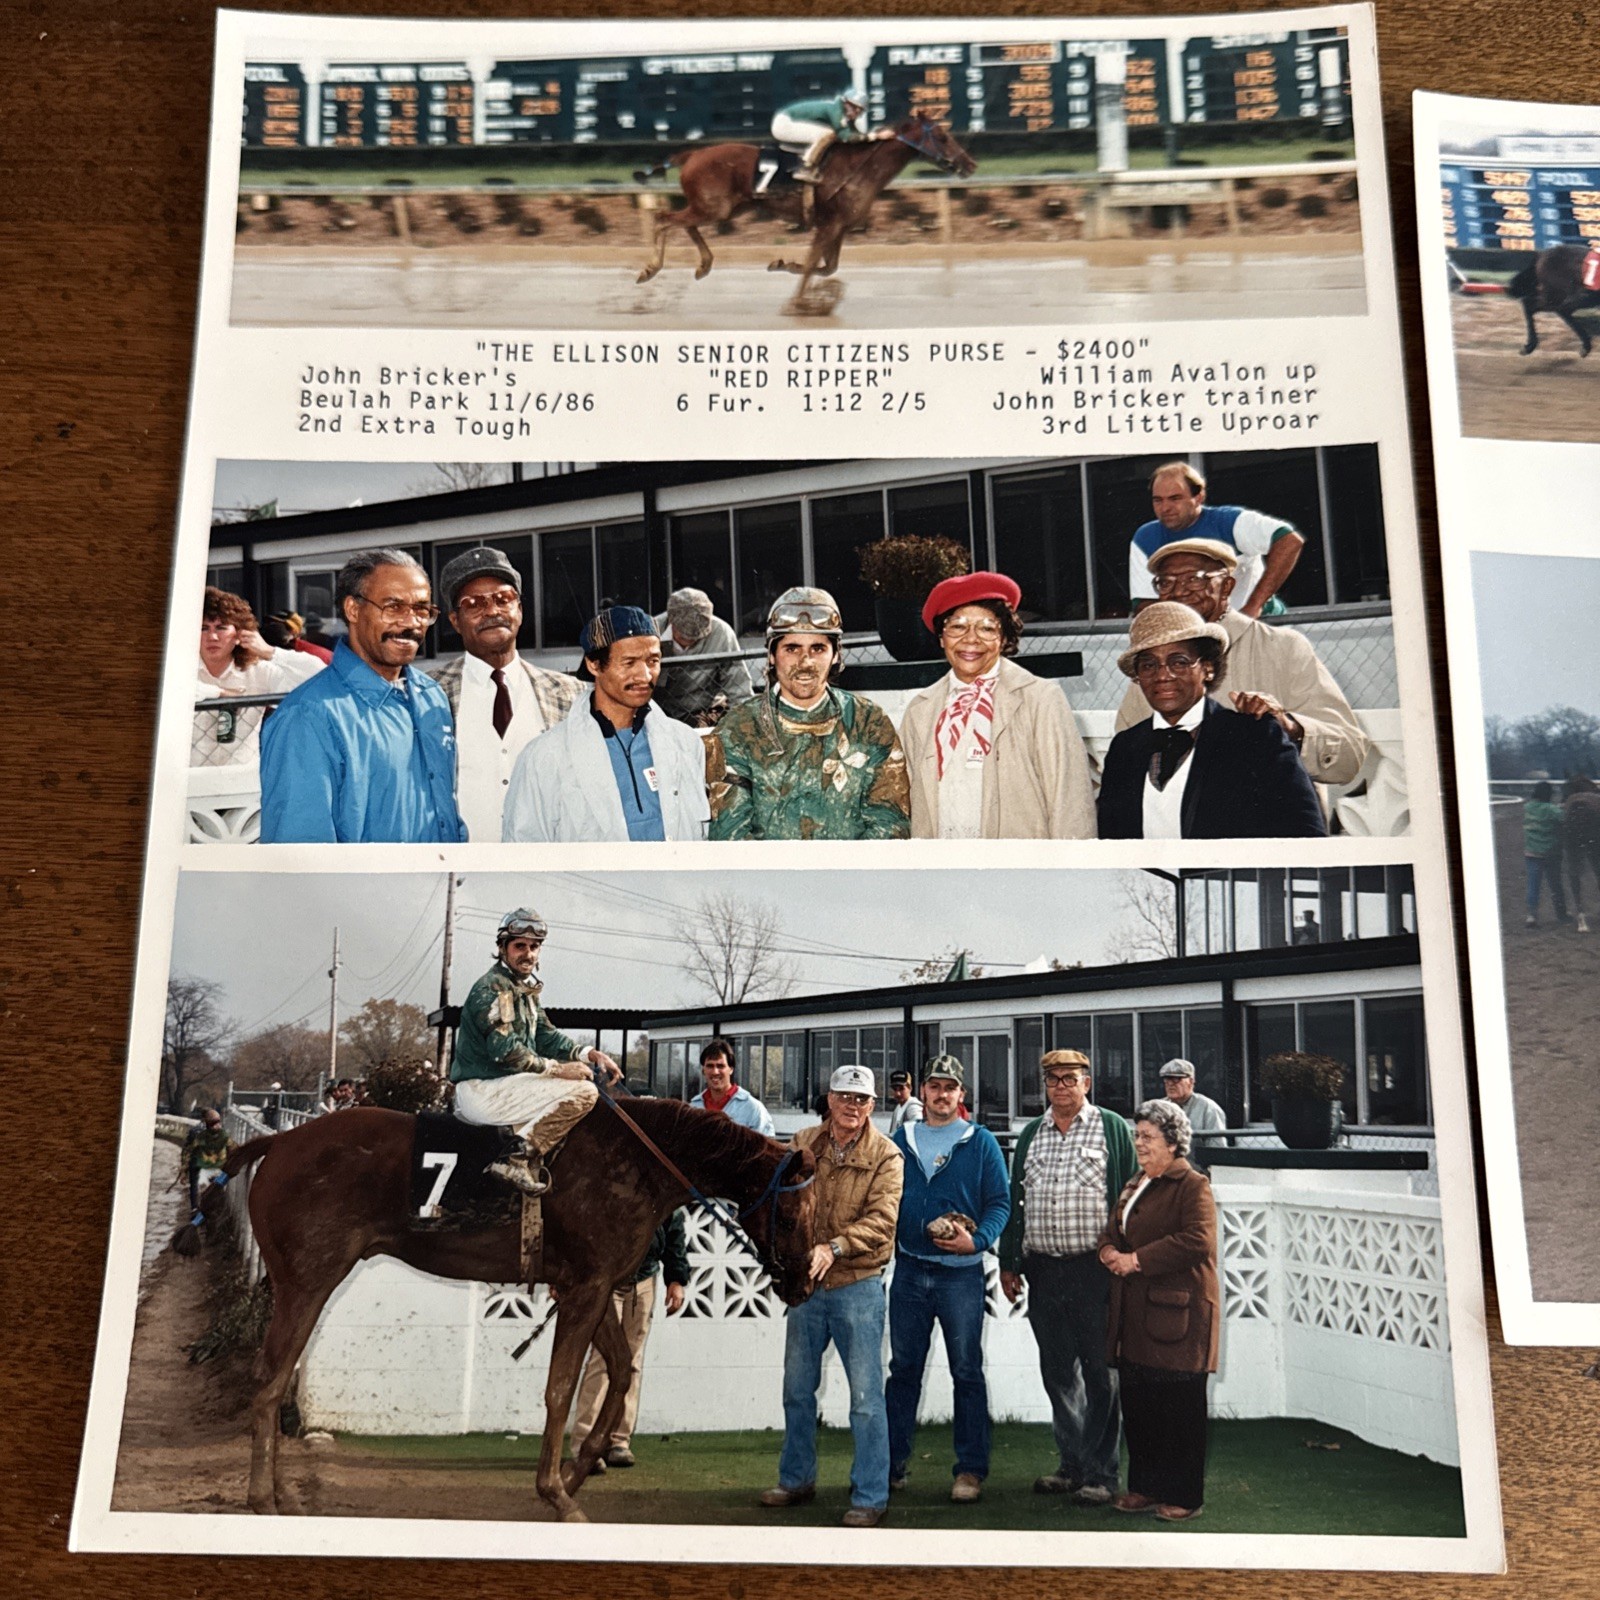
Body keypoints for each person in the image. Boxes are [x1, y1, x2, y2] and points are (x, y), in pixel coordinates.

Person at [762, 1065, 903, 1528]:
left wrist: (834, 1247)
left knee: (865, 1399)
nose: (852, 1106)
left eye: (861, 1099)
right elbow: (779, 1197)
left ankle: (870, 1497)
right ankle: (795, 1479)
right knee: (796, 1390)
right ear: (829, 1099)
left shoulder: (887, 1155)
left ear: (873, 1105)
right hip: (808, 1287)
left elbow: (883, 1221)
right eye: (844, 1096)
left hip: (858, 1285)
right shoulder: (803, 1142)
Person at [1115, 539, 1370, 790]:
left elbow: (1350, 755)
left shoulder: (1283, 647)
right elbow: (1125, 760)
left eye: (1195, 579)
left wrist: (1288, 726)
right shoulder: (1152, 663)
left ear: (1227, 586)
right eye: (1166, 583)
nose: (1179, 592)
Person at [997, 1049, 1137, 1506]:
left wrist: (1124, 1257)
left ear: (1086, 1083)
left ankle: (1101, 1473)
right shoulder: (1031, 1134)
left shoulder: (1111, 1128)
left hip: (1094, 1270)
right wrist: (1009, 1261)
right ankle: (1072, 1465)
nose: (1060, 1086)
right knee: (1057, 1372)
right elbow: (1015, 1201)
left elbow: (1130, 1197)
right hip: (1044, 1270)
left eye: (1070, 1078)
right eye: (1053, 1079)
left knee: (1100, 1373)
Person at [259, 549, 466, 844]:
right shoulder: (307, 717)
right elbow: (300, 853)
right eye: (393, 607)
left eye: (421, 610)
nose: (411, 622)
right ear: (353, 610)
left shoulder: (431, 696)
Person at [885, 1057, 1010, 1503]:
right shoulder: (901, 1139)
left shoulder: (980, 1141)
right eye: (934, 1086)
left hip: (961, 1276)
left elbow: (999, 1203)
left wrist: (977, 1241)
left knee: (967, 1370)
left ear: (962, 1094)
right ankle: (890, 1466)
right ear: (923, 1090)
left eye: (950, 1087)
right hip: (909, 1270)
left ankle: (970, 1471)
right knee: (903, 1371)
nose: (942, 1094)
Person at [1098, 602, 1328, 840]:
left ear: (1207, 669)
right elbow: (1110, 839)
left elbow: (1306, 833)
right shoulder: (1124, 747)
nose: (1163, 675)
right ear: (1137, 677)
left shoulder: (1255, 736)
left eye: (1179, 662)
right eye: (1149, 665)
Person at [900, 572, 1096, 840]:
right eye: (957, 627)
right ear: (941, 637)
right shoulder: (920, 711)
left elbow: (1071, 802)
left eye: (987, 628)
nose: (971, 639)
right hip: (943, 861)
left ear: (1003, 638)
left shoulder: (1041, 699)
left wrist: (1072, 865)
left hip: (1019, 863)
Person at [1098, 1099, 1221, 1523]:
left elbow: (1198, 1241)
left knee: (1179, 1409)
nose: (1139, 1143)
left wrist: (1136, 1261)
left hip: (1180, 1319)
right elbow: (1113, 1230)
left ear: (1173, 1142)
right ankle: (1145, 1487)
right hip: (1137, 1318)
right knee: (1141, 1403)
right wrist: (1108, 1250)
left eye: (1148, 1136)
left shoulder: (1193, 1185)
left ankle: (1184, 1495)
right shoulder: (1136, 1182)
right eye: (1137, 1135)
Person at [708, 587, 910, 840]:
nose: (805, 662)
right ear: (771, 656)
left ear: (835, 655)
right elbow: (730, 832)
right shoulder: (737, 729)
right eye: (792, 649)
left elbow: (890, 822)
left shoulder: (868, 722)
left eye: (818, 649)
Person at [449, 908, 622, 1196]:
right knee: (584, 1093)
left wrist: (590, 1054)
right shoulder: (494, 988)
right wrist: (559, 1069)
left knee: (579, 1083)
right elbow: (505, 1050)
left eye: (534, 947)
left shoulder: (524, 990)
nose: (528, 954)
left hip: (506, 1085)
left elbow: (545, 1035)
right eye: (520, 946)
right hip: (483, 1089)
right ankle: (515, 1161)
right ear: (502, 948)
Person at [502, 605, 711, 843]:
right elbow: (523, 850)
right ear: (594, 665)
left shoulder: (686, 743)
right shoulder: (545, 757)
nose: (645, 675)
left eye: (653, 661)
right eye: (629, 663)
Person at [428, 546, 581, 842]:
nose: (492, 611)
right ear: (455, 621)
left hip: (548, 864)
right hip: (460, 864)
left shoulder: (569, 693)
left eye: (503, 599)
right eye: (474, 603)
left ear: (519, 610)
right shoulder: (429, 693)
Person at [570, 1208, 689, 1471]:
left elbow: (674, 1227)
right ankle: (584, 1443)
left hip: (643, 1278)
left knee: (632, 1361)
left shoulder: (661, 1194)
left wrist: (676, 1279)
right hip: (607, 1278)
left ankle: (619, 1441)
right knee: (602, 1359)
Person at [1130, 462, 1305, 619]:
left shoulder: (1228, 522)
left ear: (1199, 497)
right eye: (1158, 500)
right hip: (1202, 632)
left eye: (1175, 498)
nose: (1165, 508)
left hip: (1260, 623)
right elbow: (1144, 602)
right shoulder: (1145, 537)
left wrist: (1254, 605)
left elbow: (1289, 540)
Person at [194, 586, 324, 767]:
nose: (213, 637)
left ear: (240, 634)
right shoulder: (181, 669)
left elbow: (319, 676)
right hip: (190, 777)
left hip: (242, 778)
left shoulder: (258, 671)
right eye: (204, 628)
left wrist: (269, 651)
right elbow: (175, 691)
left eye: (221, 628)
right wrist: (220, 694)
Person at [653, 587, 757, 728]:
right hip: (661, 711)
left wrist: (747, 724)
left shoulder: (721, 632)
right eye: (683, 636)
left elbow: (739, 685)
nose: (690, 641)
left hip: (705, 708)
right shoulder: (651, 631)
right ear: (671, 621)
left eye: (697, 638)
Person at [762, 90, 870, 190]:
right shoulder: (835, 110)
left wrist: (868, 137)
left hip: (787, 121)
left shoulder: (840, 111)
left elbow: (855, 134)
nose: (856, 113)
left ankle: (803, 168)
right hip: (784, 123)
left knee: (826, 137)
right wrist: (870, 136)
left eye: (859, 110)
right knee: (827, 134)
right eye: (854, 108)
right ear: (845, 103)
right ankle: (806, 168)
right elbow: (844, 136)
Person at [689, 1037, 775, 1135]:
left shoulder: (753, 1109)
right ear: (703, 1070)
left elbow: (765, 1144)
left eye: (720, 1066)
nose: (715, 1072)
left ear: (731, 1069)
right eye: (710, 1066)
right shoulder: (693, 1109)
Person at [1158, 1060, 1225, 1169]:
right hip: (1163, 1173)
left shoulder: (1208, 1108)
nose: (1170, 1084)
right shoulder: (1159, 1107)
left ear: (1191, 1081)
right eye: (1167, 1079)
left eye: (1176, 1079)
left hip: (1196, 1173)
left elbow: (1217, 1150)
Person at [1524, 780, 1569, 927]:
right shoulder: (1552, 810)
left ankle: (1531, 915)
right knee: (1555, 884)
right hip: (1550, 852)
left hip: (1531, 852)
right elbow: (1563, 819)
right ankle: (1561, 913)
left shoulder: (1528, 807)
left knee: (1533, 885)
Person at [1564, 777, 1600, 933]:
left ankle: (1580, 915)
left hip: (1572, 836)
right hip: (1594, 836)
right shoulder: (1596, 799)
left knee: (1574, 872)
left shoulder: (1569, 801)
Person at [180, 1108, 233, 1210]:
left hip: (197, 1162)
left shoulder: (194, 1130)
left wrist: (184, 1169)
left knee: (194, 1185)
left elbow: (187, 1150)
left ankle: (195, 1208)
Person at [887, 1069, 923, 1133]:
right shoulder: (898, 1107)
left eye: (901, 1089)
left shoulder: (913, 1107)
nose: (898, 1093)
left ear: (910, 1088)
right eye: (895, 1089)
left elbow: (919, 1128)